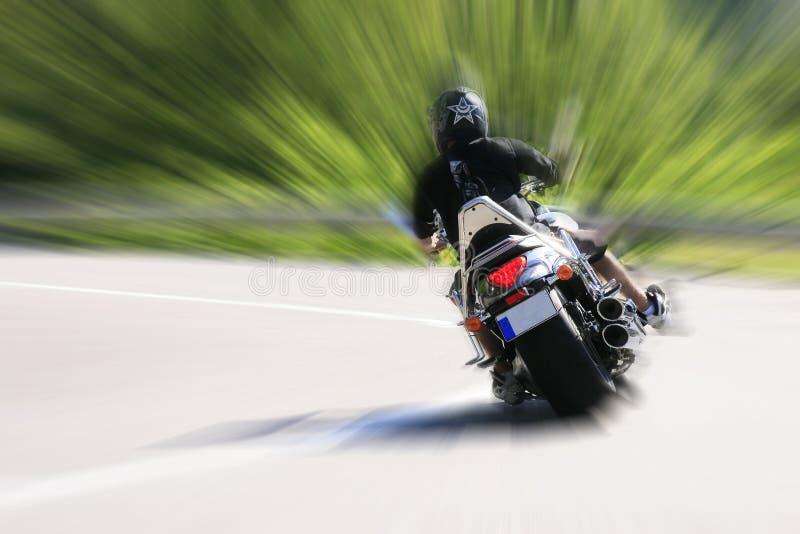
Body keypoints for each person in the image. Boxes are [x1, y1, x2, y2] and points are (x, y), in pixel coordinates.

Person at [412, 87, 670, 404]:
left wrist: (434, 242)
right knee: (592, 242)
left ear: (439, 128)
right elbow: (549, 169)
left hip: (480, 265)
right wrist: (549, 174)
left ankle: (503, 368)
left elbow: (424, 239)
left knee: (464, 300)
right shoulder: (503, 148)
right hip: (527, 240)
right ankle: (647, 306)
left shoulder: (427, 178)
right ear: (480, 119)